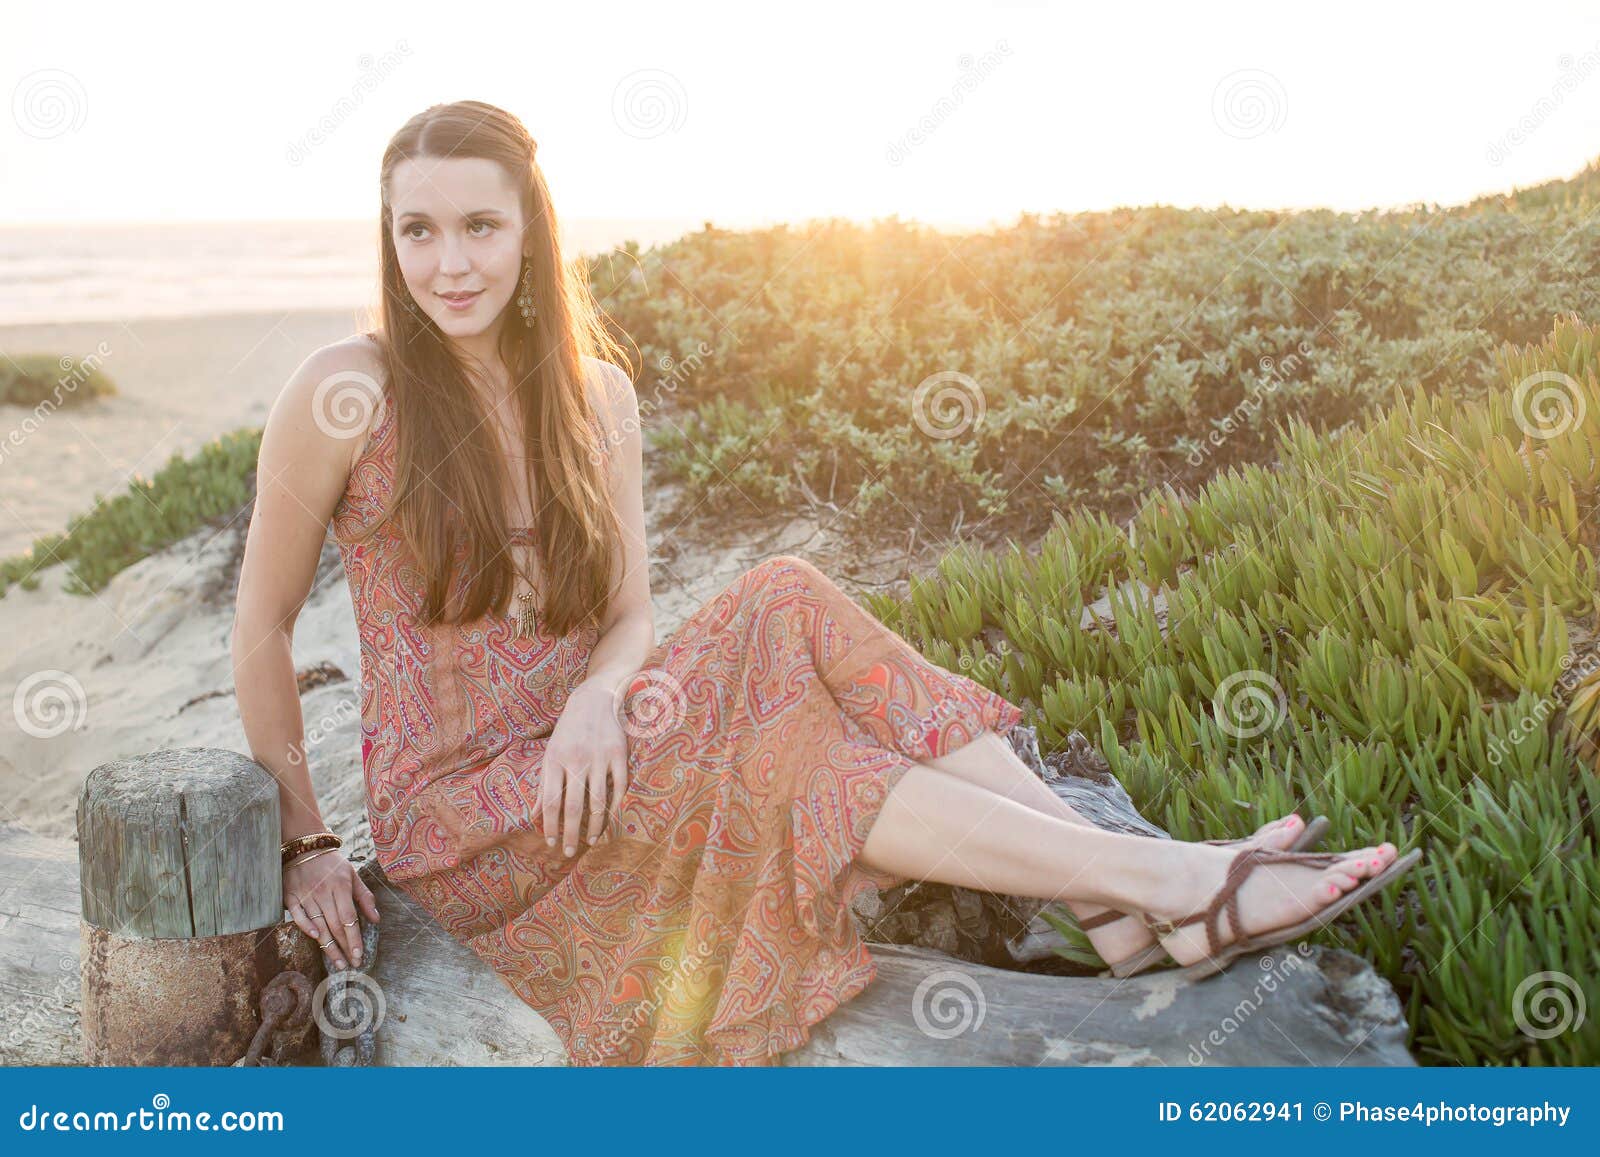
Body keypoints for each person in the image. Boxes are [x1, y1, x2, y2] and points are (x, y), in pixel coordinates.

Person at [231, 100, 1415, 1066]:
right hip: (473, 814)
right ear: (387, 239)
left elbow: (631, 608)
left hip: (595, 742)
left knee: (788, 590)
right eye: (417, 232)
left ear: (531, 230)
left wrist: (598, 696)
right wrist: (308, 843)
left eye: (479, 227)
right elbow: (264, 624)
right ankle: (1160, 883)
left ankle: (1115, 904)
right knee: (786, 747)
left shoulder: (595, 394)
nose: (449, 263)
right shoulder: (350, 390)